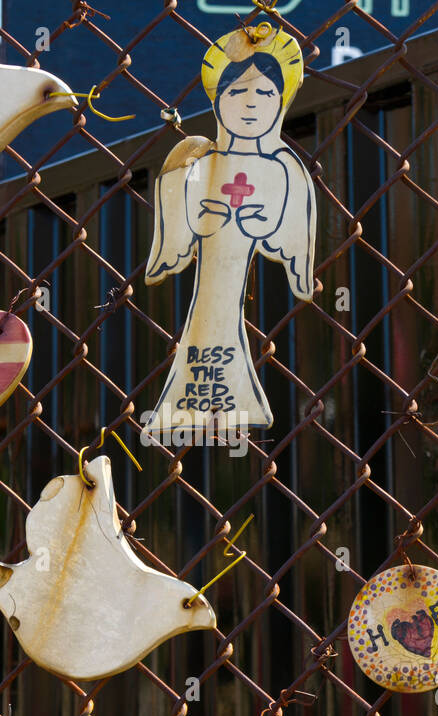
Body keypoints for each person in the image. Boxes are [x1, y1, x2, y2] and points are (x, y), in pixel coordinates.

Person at [144, 25, 315, 436]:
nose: (251, 104)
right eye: (237, 92)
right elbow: (180, 222)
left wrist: (250, 219)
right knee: (206, 319)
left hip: (238, 266)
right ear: (218, 100)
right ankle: (191, 399)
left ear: (280, 102)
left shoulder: (283, 167)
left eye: (265, 93)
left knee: (225, 322)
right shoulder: (199, 161)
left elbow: (284, 231)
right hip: (209, 273)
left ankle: (228, 396)